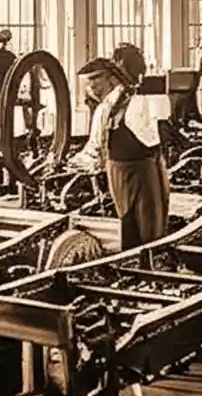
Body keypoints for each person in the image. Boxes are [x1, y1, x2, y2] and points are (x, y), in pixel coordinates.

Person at [69, 58, 172, 251]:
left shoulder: (137, 102)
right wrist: (73, 163)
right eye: (88, 83)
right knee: (126, 223)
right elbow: (94, 147)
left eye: (94, 81)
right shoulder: (103, 108)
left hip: (141, 171)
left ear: (110, 79)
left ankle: (151, 266)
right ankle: (132, 263)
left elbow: (154, 139)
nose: (91, 88)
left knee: (149, 224)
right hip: (117, 172)